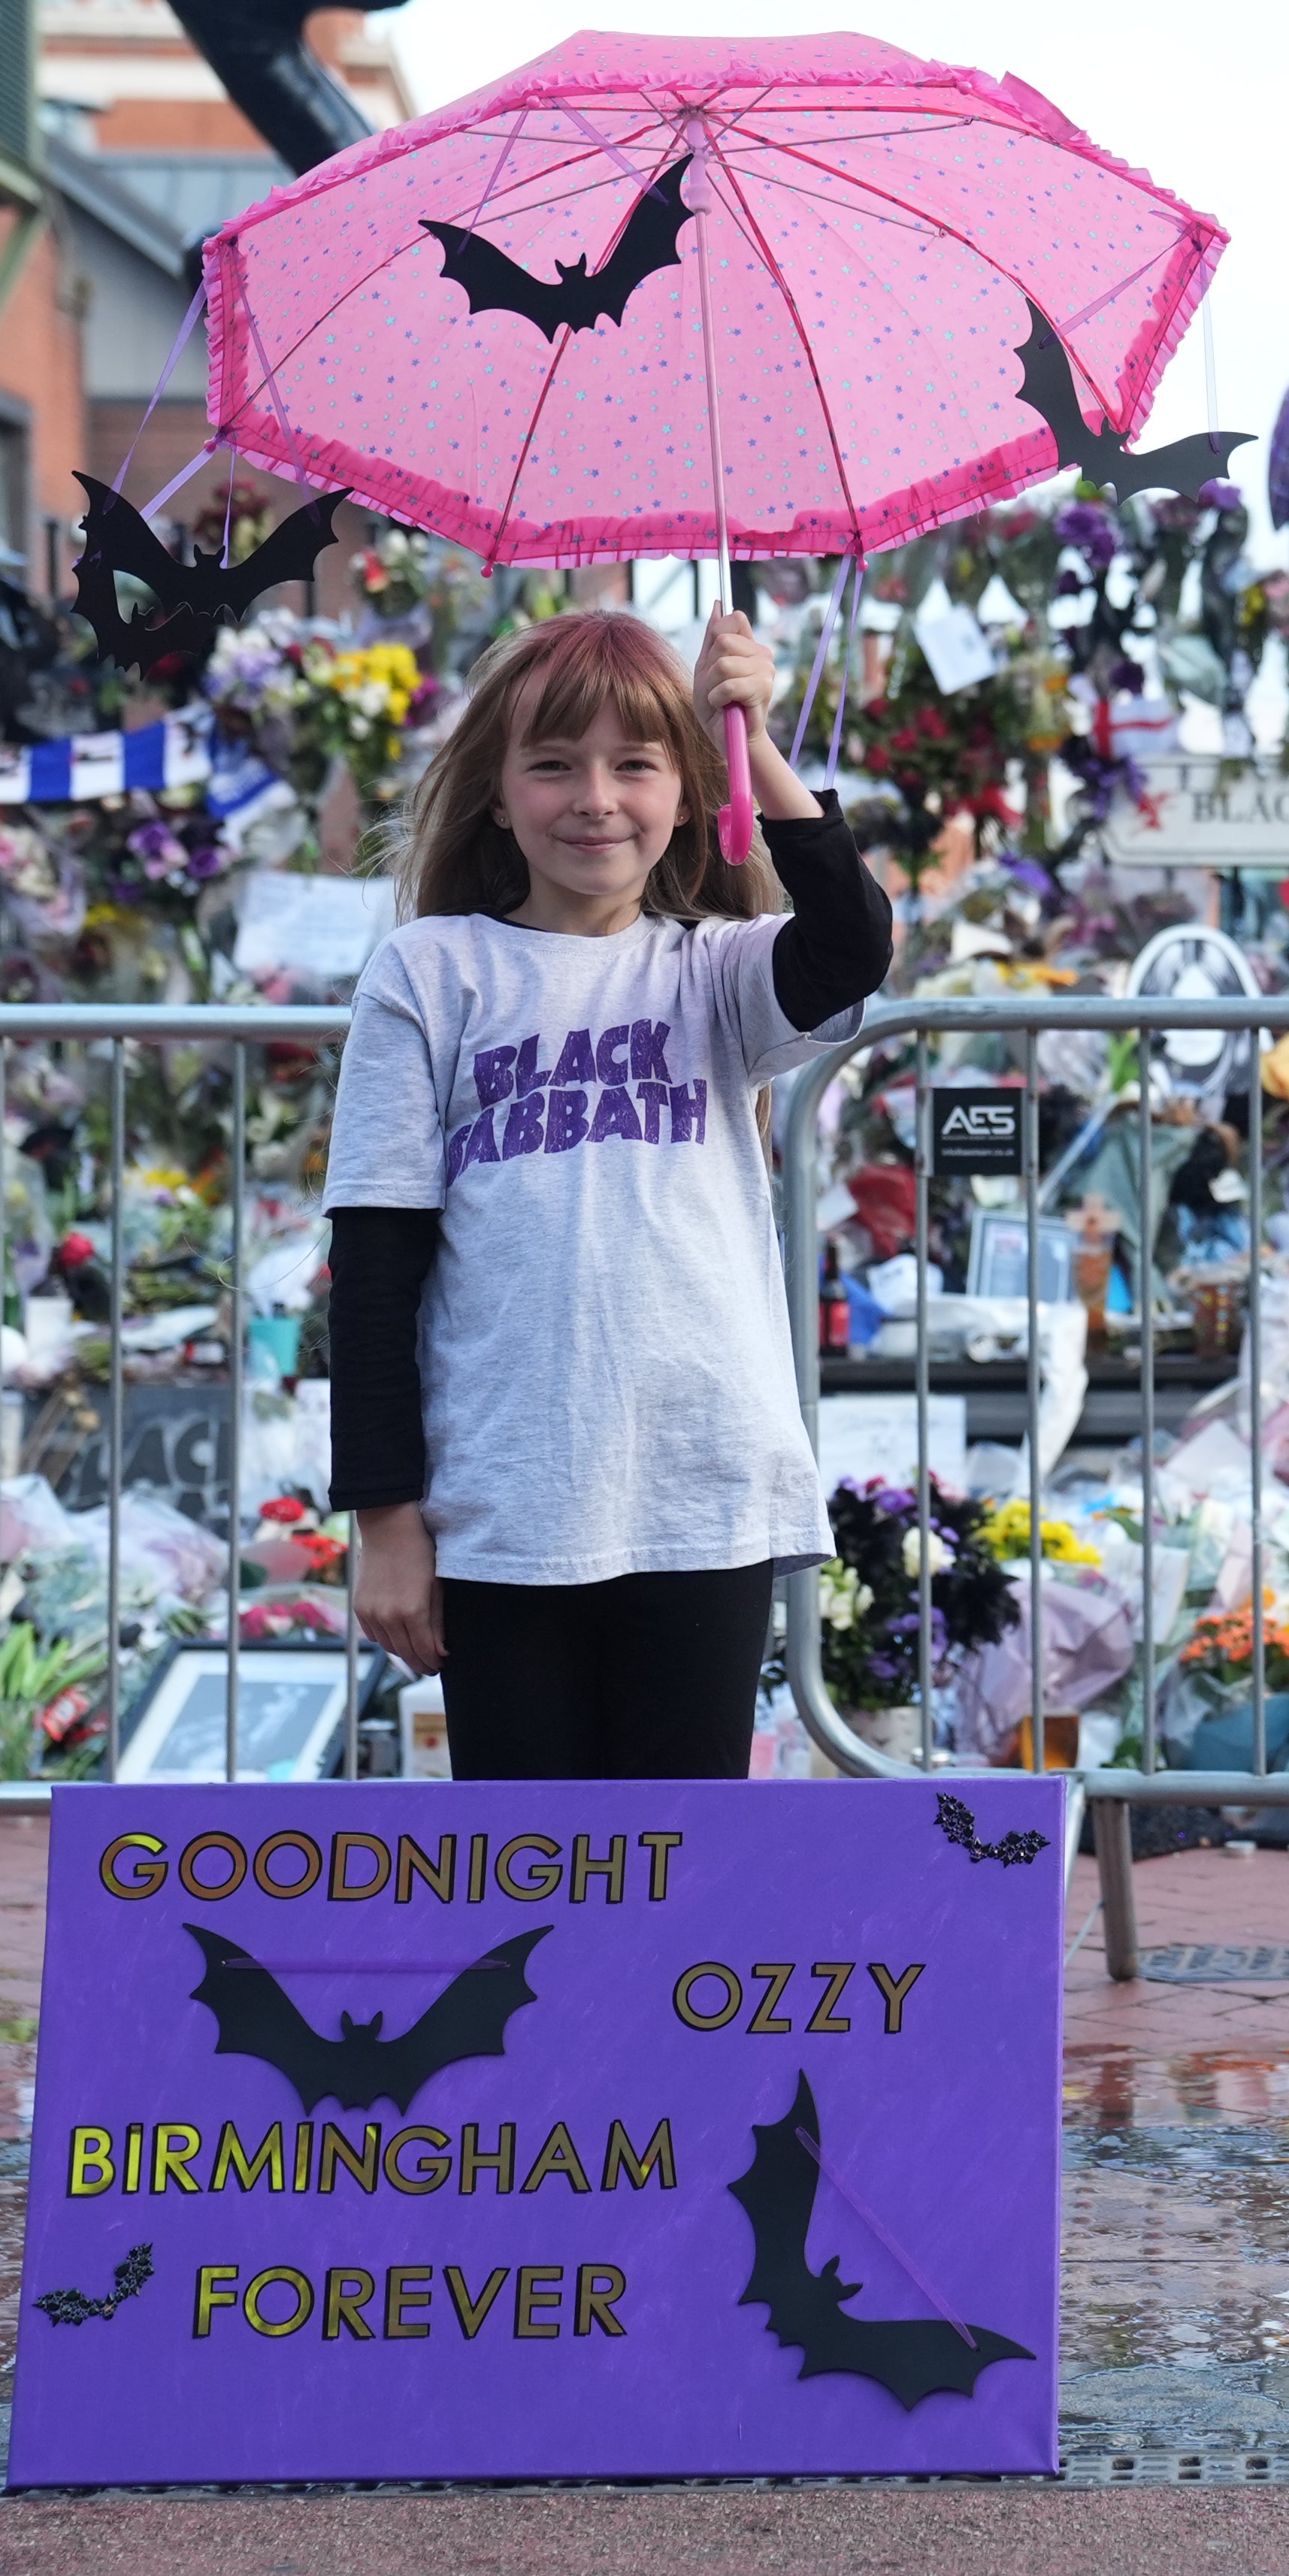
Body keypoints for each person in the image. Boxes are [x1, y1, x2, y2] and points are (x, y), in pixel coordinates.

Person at [322, 604, 894, 1780]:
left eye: (636, 765)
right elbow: (373, 1272)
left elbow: (851, 945)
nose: (595, 797)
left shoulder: (721, 970)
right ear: (496, 794)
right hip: (503, 1508)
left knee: (679, 1875)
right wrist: (386, 1522)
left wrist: (756, 738)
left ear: (689, 792)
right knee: (528, 1879)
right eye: (552, 766)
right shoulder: (431, 974)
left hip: (702, 1493)